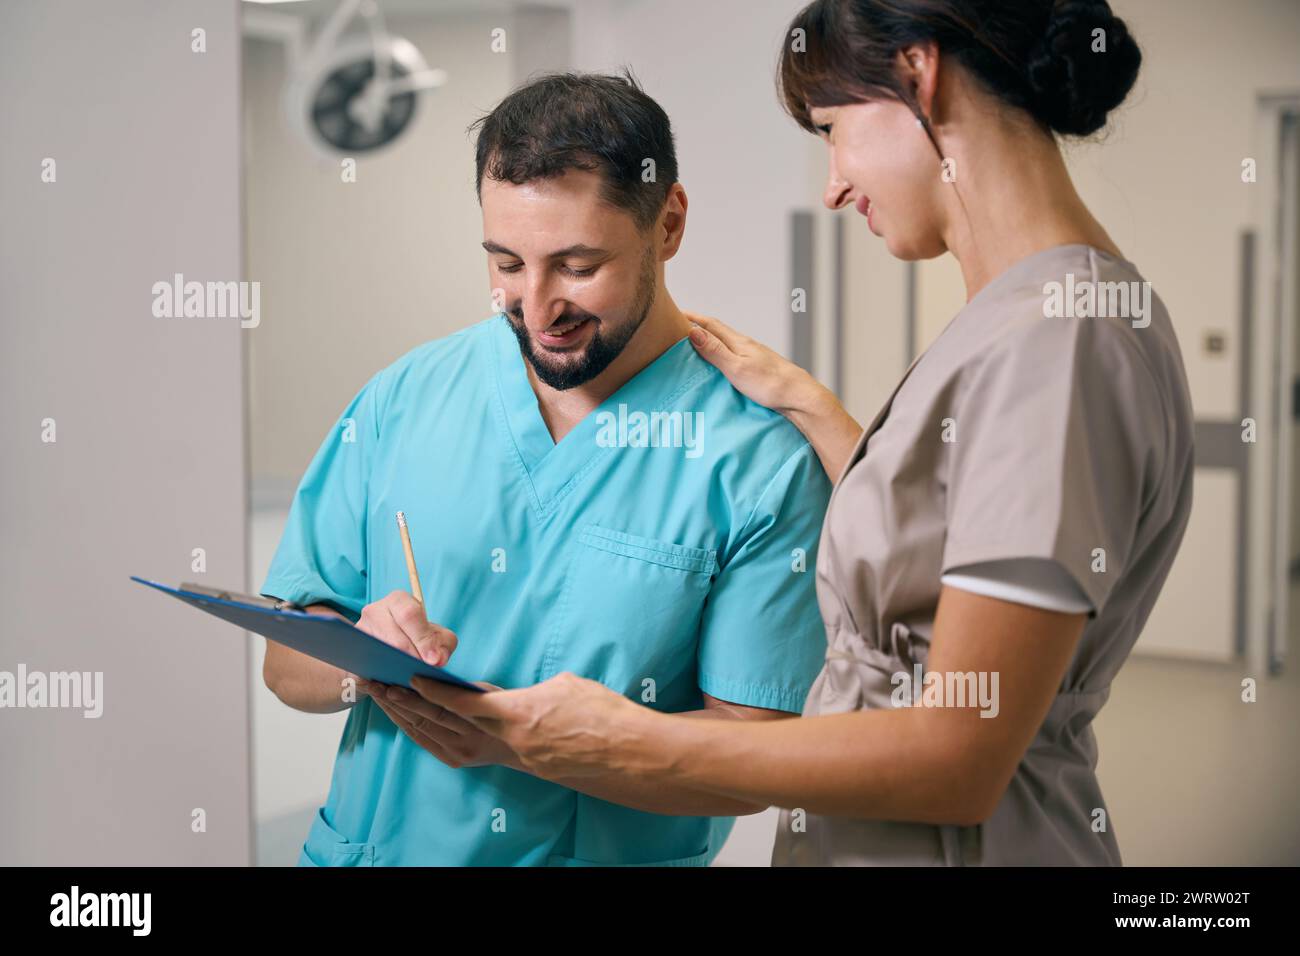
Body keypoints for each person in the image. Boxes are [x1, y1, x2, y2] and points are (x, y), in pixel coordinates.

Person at [405, 0, 1196, 866]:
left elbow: (959, 755)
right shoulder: (1048, 314)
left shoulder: (1056, 341)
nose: (834, 184)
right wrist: (820, 413)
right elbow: (949, 543)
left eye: (831, 129)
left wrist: (623, 740)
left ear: (919, 77)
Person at [261, 70, 833, 866]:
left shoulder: (758, 461)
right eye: (505, 263)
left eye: (576, 266)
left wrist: (549, 746)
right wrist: (361, 659)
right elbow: (287, 664)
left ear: (667, 224)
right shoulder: (403, 399)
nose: (535, 307)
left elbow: (752, 763)